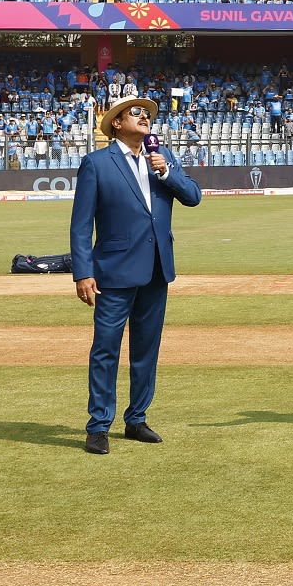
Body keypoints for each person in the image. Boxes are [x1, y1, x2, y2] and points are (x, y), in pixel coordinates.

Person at [71, 95, 202, 455]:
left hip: (157, 269)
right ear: (117, 122)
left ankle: (136, 419)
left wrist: (167, 172)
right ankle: (98, 425)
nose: (145, 117)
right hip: (112, 272)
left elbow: (194, 196)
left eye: (148, 114)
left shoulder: (165, 158)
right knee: (105, 351)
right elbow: (81, 225)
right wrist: (82, 272)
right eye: (136, 112)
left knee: (146, 350)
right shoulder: (97, 164)